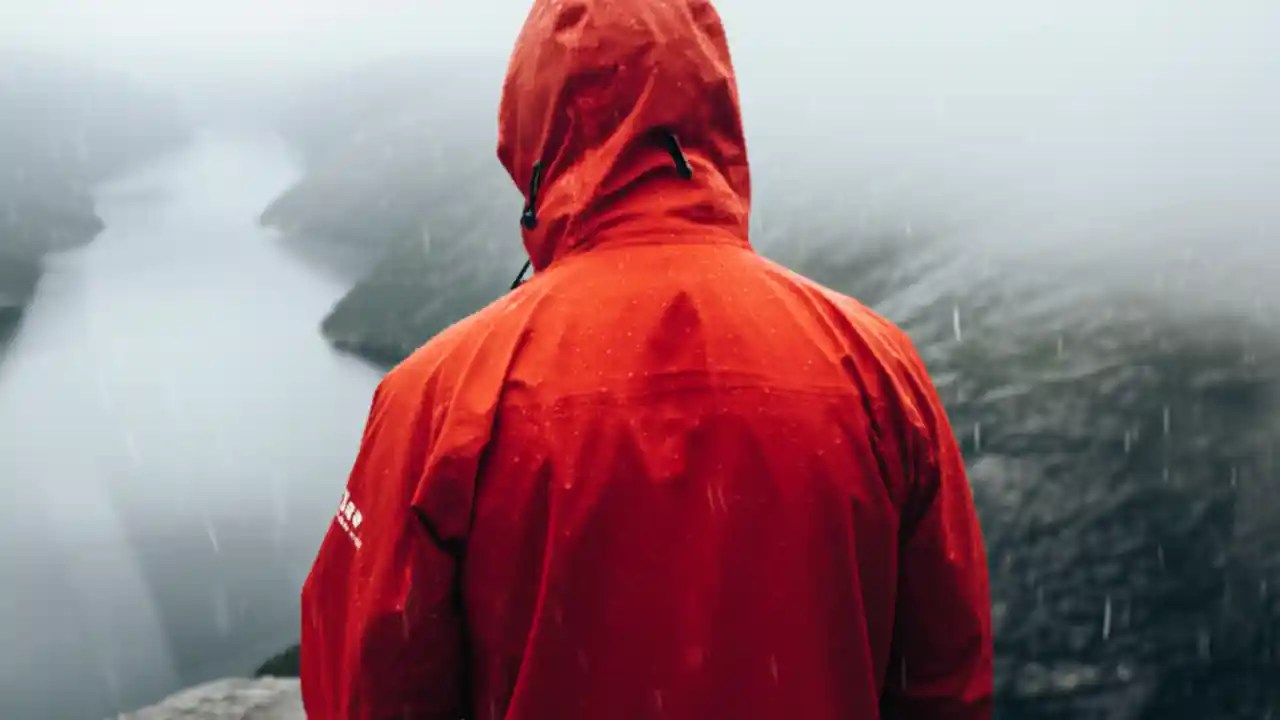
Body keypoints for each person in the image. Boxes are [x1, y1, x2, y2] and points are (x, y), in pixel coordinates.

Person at [299, 0, 993, 717]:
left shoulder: (441, 398)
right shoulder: (879, 371)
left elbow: (363, 687)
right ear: (715, 110)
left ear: (531, 127)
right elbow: (945, 684)